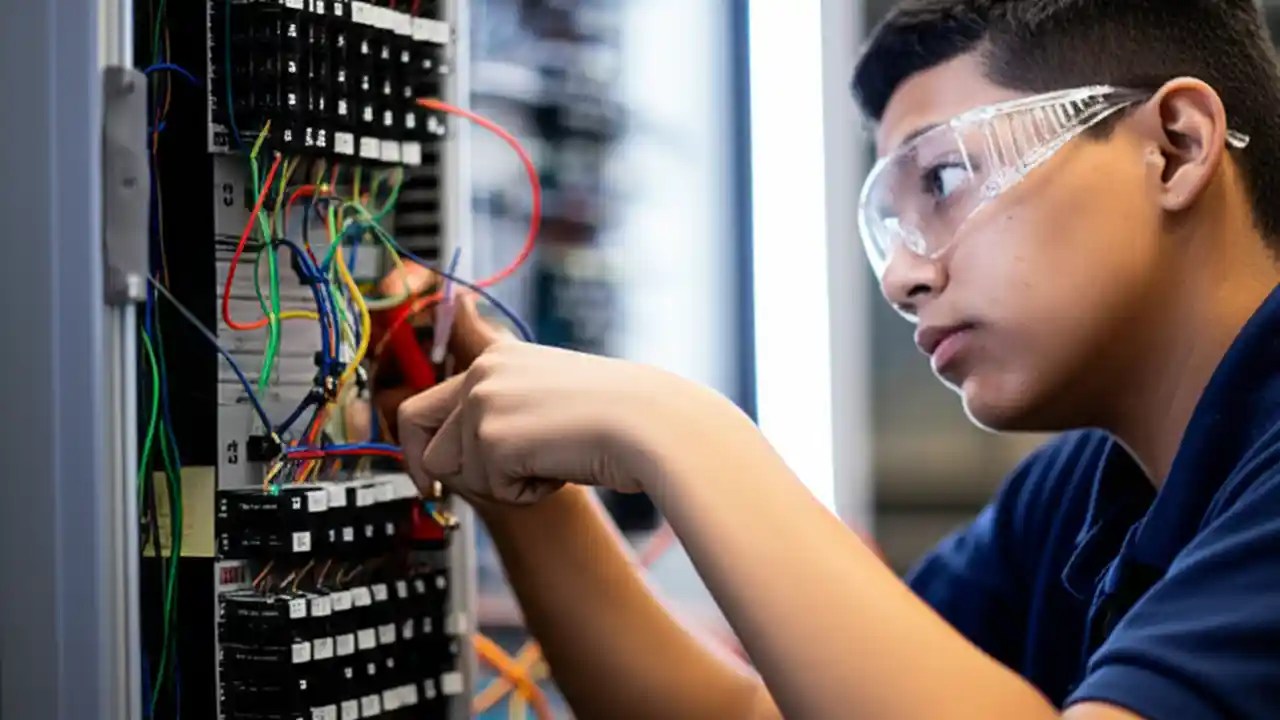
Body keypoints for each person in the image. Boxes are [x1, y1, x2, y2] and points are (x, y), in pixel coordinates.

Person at [386, 1, 1280, 717]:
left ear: (1176, 148)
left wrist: (686, 433)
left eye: (942, 181)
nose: (900, 276)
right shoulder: (1086, 494)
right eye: (887, 223)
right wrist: (514, 479)